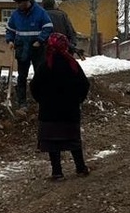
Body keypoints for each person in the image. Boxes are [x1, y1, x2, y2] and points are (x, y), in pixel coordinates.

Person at [30, 32, 91, 179]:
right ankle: (81, 168)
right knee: (73, 141)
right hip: (70, 112)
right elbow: (85, 85)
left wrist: (42, 101)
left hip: (48, 114)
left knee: (53, 144)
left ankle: (57, 172)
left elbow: (34, 87)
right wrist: (78, 100)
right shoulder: (72, 65)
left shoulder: (44, 66)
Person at [5, 0, 53, 108]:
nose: (18, 6)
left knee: (40, 75)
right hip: (22, 49)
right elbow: (10, 29)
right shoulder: (16, 15)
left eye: (19, 3)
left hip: (37, 48)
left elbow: (48, 27)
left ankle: (42, 100)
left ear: (26, 1)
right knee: (22, 76)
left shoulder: (40, 12)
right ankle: (22, 102)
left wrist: (40, 40)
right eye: (17, 3)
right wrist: (10, 40)